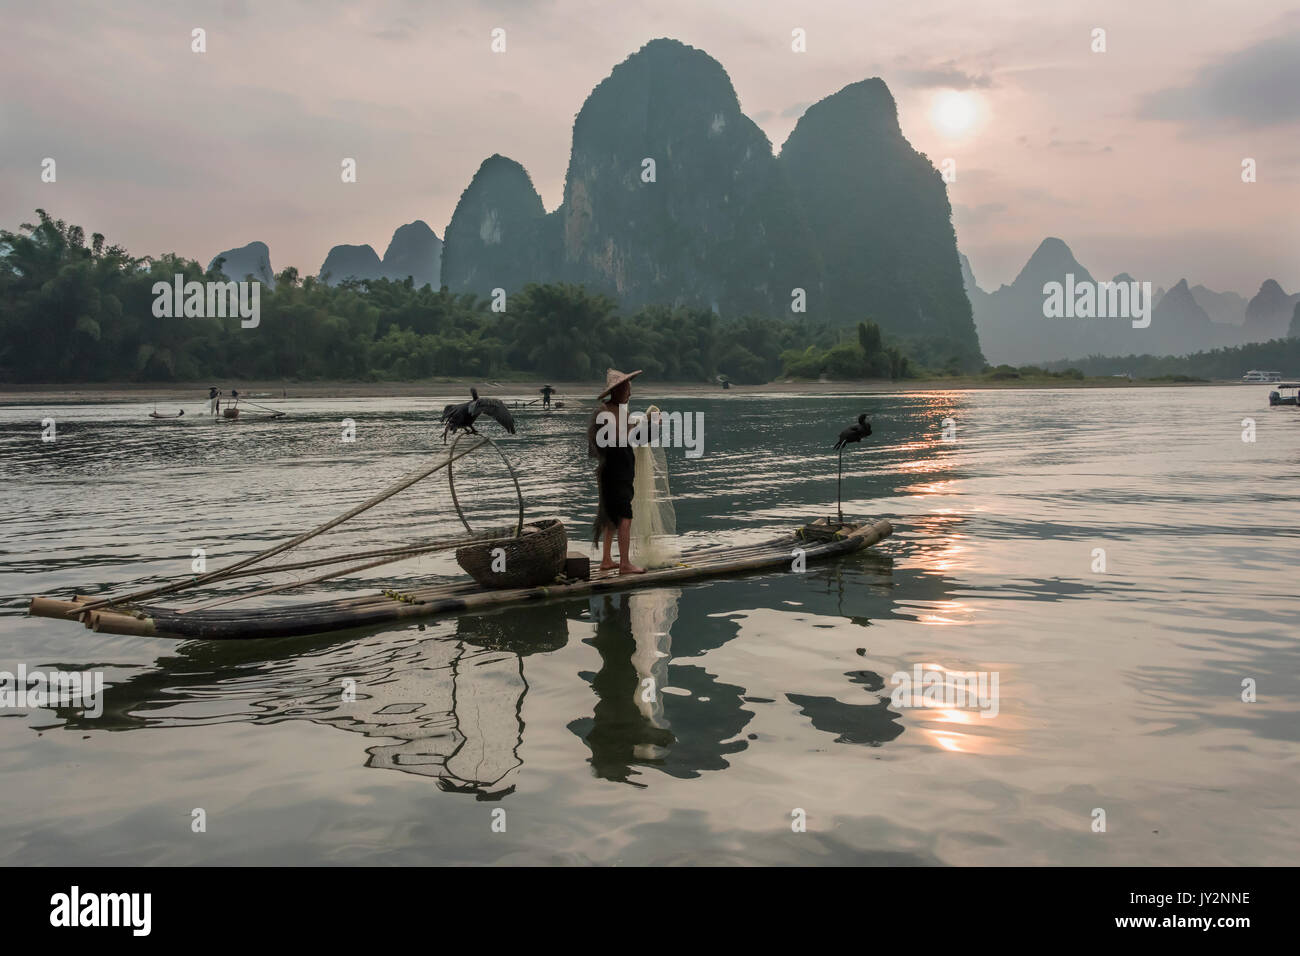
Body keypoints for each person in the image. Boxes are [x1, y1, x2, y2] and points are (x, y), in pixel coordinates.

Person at [588, 368, 645, 575]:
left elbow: (635, 440)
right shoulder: (603, 413)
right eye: (628, 389)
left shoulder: (623, 412)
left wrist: (650, 427)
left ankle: (606, 560)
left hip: (623, 469)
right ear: (619, 390)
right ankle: (625, 564)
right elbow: (602, 444)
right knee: (624, 516)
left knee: (611, 514)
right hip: (614, 471)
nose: (630, 393)